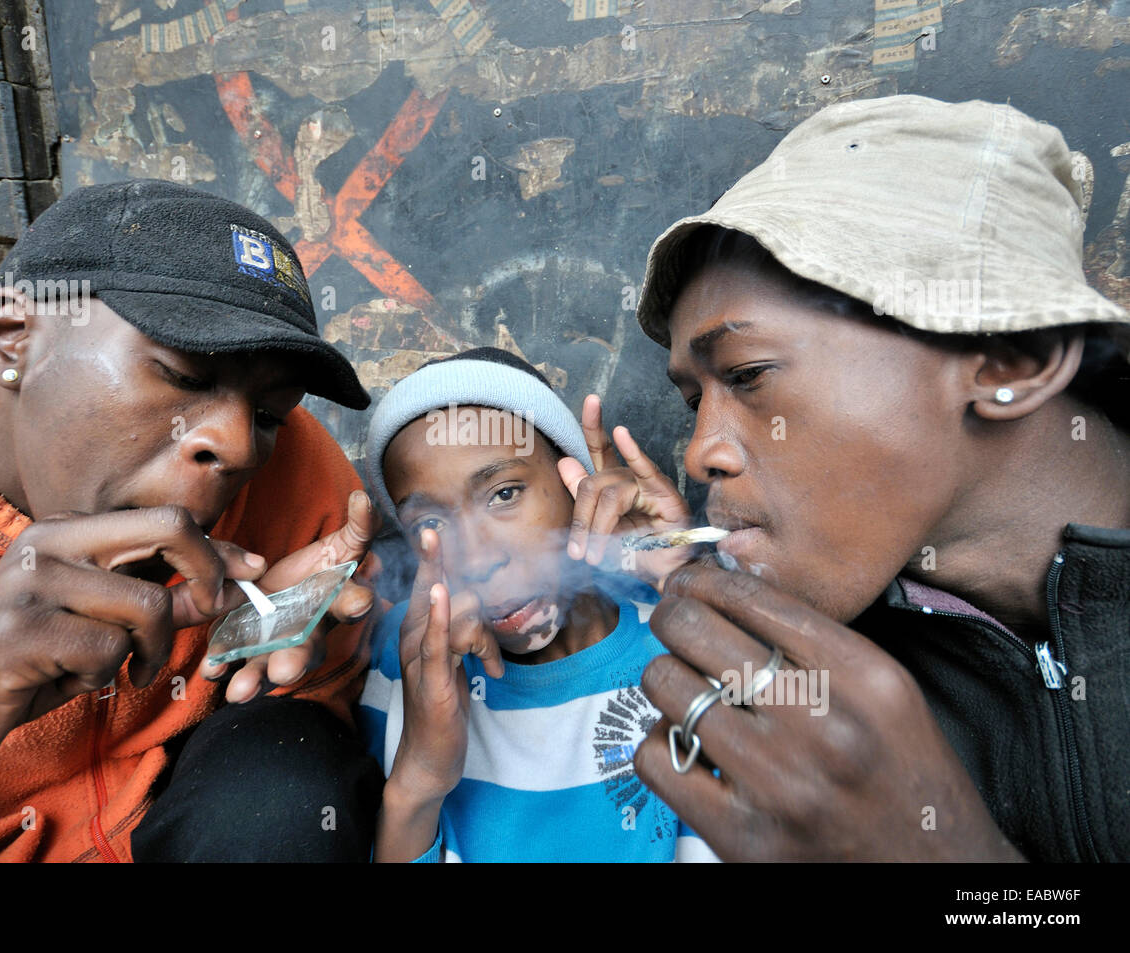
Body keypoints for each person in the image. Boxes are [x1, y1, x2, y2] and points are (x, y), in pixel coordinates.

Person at [567, 95, 1130, 861]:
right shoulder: (824, 686)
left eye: (749, 373)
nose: (700, 454)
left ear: (1010, 355)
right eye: (696, 400)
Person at [0, 179, 385, 862]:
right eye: (182, 375)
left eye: (268, 412)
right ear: (11, 341)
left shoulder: (293, 465)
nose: (241, 444)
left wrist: (282, 659)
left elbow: (326, 728)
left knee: (283, 776)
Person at [356, 347, 718, 862]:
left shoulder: (675, 635)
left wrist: (686, 583)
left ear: (577, 485)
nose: (477, 558)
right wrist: (418, 779)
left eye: (504, 494)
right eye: (430, 525)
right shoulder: (407, 659)